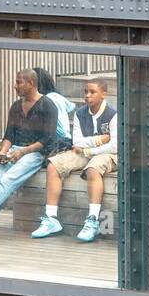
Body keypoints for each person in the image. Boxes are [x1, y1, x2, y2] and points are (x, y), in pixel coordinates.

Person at [0, 69, 71, 240]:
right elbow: (9, 135)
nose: (14, 86)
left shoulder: (48, 106)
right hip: (14, 149)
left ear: (31, 84)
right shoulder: (16, 106)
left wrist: (22, 151)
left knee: (7, 181)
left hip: (35, 153)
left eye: (18, 82)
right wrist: (2, 151)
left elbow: (46, 139)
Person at [31, 78, 117, 243]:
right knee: (54, 165)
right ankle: (51, 219)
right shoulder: (79, 113)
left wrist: (90, 148)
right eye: (86, 92)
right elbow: (77, 142)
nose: (87, 96)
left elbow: (113, 146)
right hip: (85, 150)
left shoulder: (112, 115)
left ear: (103, 94)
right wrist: (99, 140)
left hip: (108, 154)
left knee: (93, 169)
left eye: (92, 92)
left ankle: (92, 220)